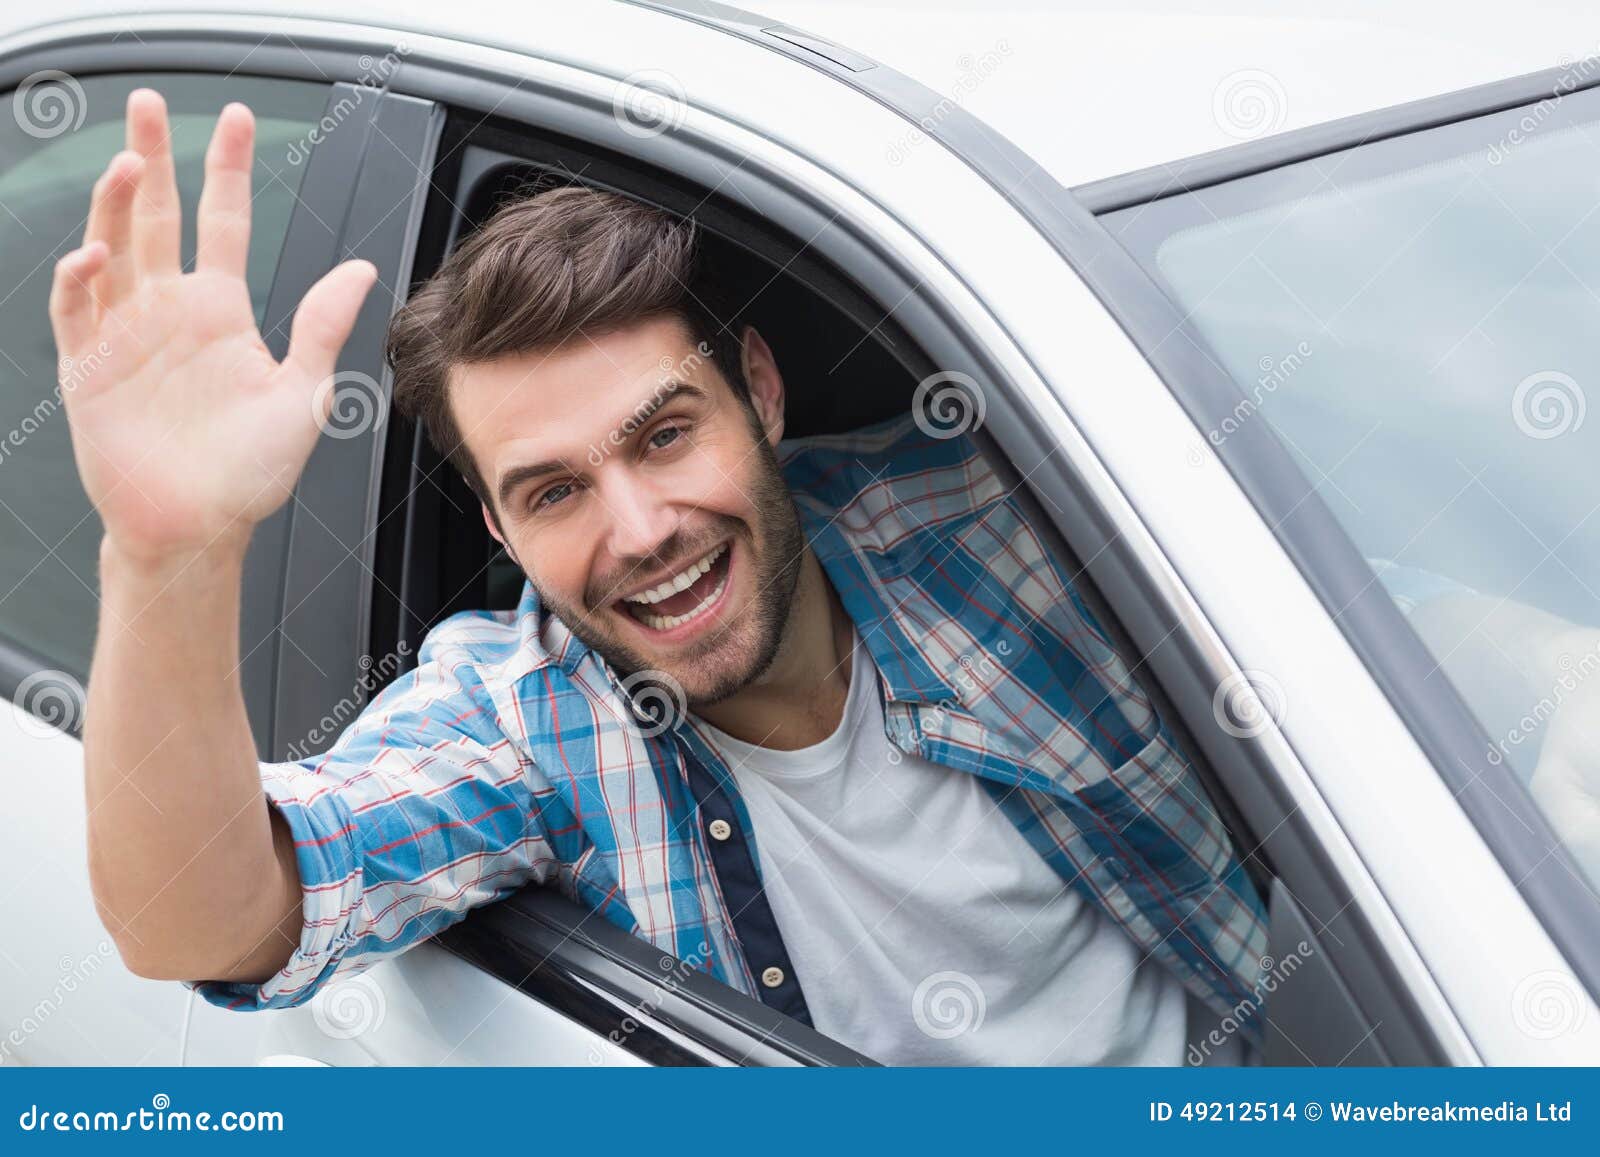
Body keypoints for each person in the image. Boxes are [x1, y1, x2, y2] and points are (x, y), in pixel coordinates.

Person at [49, 90, 1598, 1066]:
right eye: (556, 489)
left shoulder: (1008, 522)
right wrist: (168, 557)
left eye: (668, 431)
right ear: (505, 537)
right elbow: (201, 917)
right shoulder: (524, 716)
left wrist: (1557, 672)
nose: (644, 524)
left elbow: (1373, 630)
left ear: (765, 398)